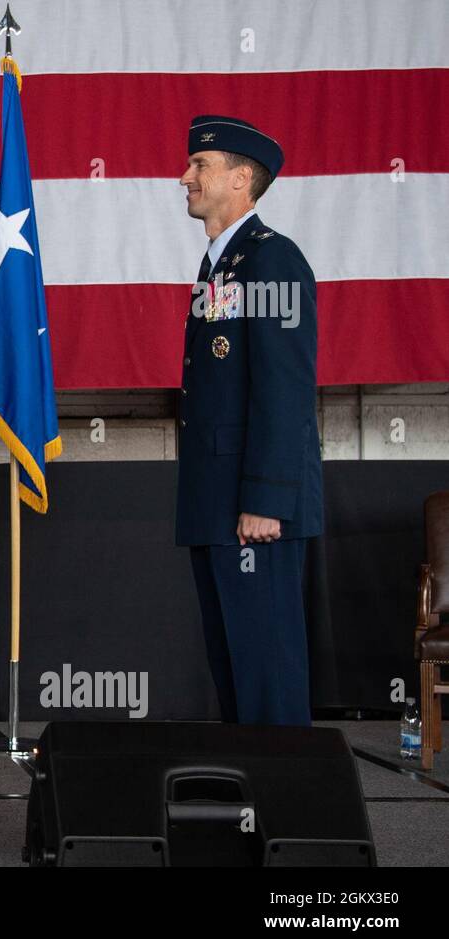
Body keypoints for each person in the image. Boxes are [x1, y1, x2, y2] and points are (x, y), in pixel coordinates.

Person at [176, 115, 322, 726]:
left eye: (199, 167)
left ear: (241, 179)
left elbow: (284, 390)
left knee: (267, 675)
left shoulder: (271, 260)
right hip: (219, 502)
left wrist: (264, 499)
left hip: (256, 509)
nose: (184, 177)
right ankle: (250, 811)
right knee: (235, 672)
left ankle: (289, 814)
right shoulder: (220, 267)